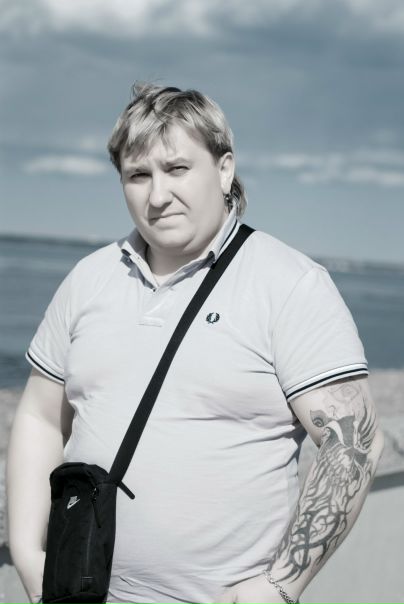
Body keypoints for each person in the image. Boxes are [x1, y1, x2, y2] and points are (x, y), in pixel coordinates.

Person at [7, 83, 384, 604]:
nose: (157, 195)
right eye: (138, 175)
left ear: (224, 169)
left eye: (177, 168)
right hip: (78, 590)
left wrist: (281, 584)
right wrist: (29, 553)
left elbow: (353, 443)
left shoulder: (289, 284)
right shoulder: (89, 278)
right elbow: (41, 417)